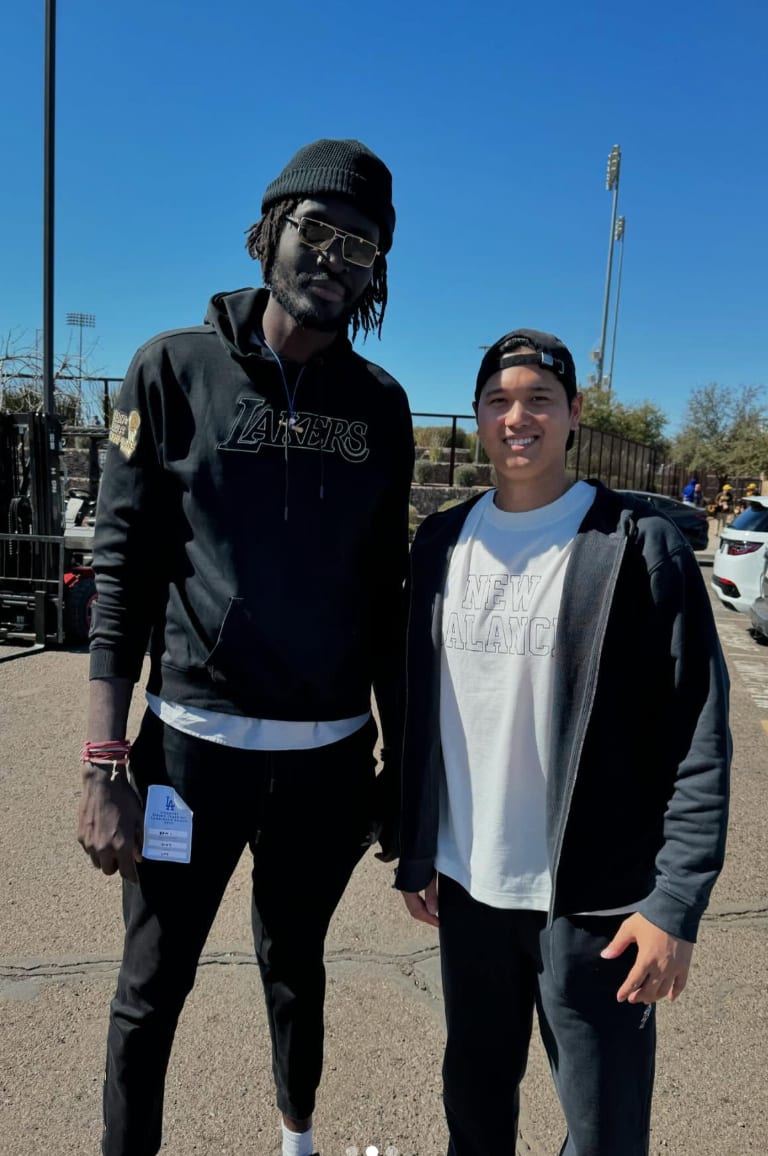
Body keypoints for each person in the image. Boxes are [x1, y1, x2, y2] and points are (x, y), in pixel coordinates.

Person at [77, 138, 414, 1156]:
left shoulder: (381, 407)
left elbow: (388, 599)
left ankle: (296, 1141)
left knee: (295, 965)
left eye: (361, 248)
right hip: (190, 759)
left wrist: (406, 771)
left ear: (375, 275)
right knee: (152, 984)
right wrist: (102, 759)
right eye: (317, 231)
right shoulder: (171, 370)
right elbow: (122, 570)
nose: (334, 259)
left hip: (325, 763)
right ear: (268, 232)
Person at [396, 329, 730, 1156]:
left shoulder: (638, 545)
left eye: (539, 399)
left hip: (599, 906)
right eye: (499, 402)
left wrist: (674, 906)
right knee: (474, 1119)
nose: (519, 417)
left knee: (605, 1132)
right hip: (468, 892)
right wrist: (414, 847)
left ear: (574, 413)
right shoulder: (441, 544)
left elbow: (700, 732)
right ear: (476, 418)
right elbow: (416, 709)